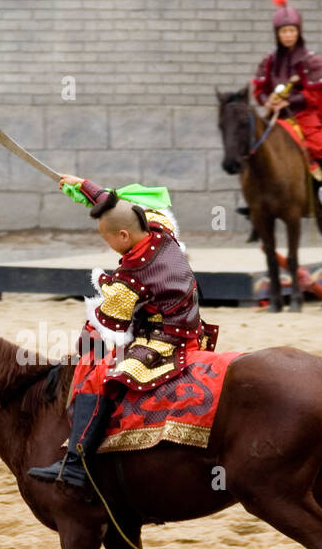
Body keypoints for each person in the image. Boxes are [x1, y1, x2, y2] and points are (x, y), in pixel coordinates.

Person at [28, 175, 217, 488]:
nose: (109, 246)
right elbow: (121, 206)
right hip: (190, 323)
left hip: (164, 339)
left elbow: (107, 326)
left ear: (124, 235)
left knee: (99, 374)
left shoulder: (130, 275)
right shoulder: (160, 230)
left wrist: (83, 348)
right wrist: (86, 187)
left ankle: (76, 463)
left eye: (109, 240)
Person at [240, 0, 322, 216]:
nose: (288, 36)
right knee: (250, 144)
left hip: (304, 113)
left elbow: (316, 94)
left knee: (318, 142)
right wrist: (268, 100)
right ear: (277, 34)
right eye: (284, 32)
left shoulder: (311, 60)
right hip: (277, 114)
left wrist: (290, 102)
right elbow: (260, 88)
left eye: (292, 31)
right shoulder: (269, 60)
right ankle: (252, 196)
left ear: (299, 32)